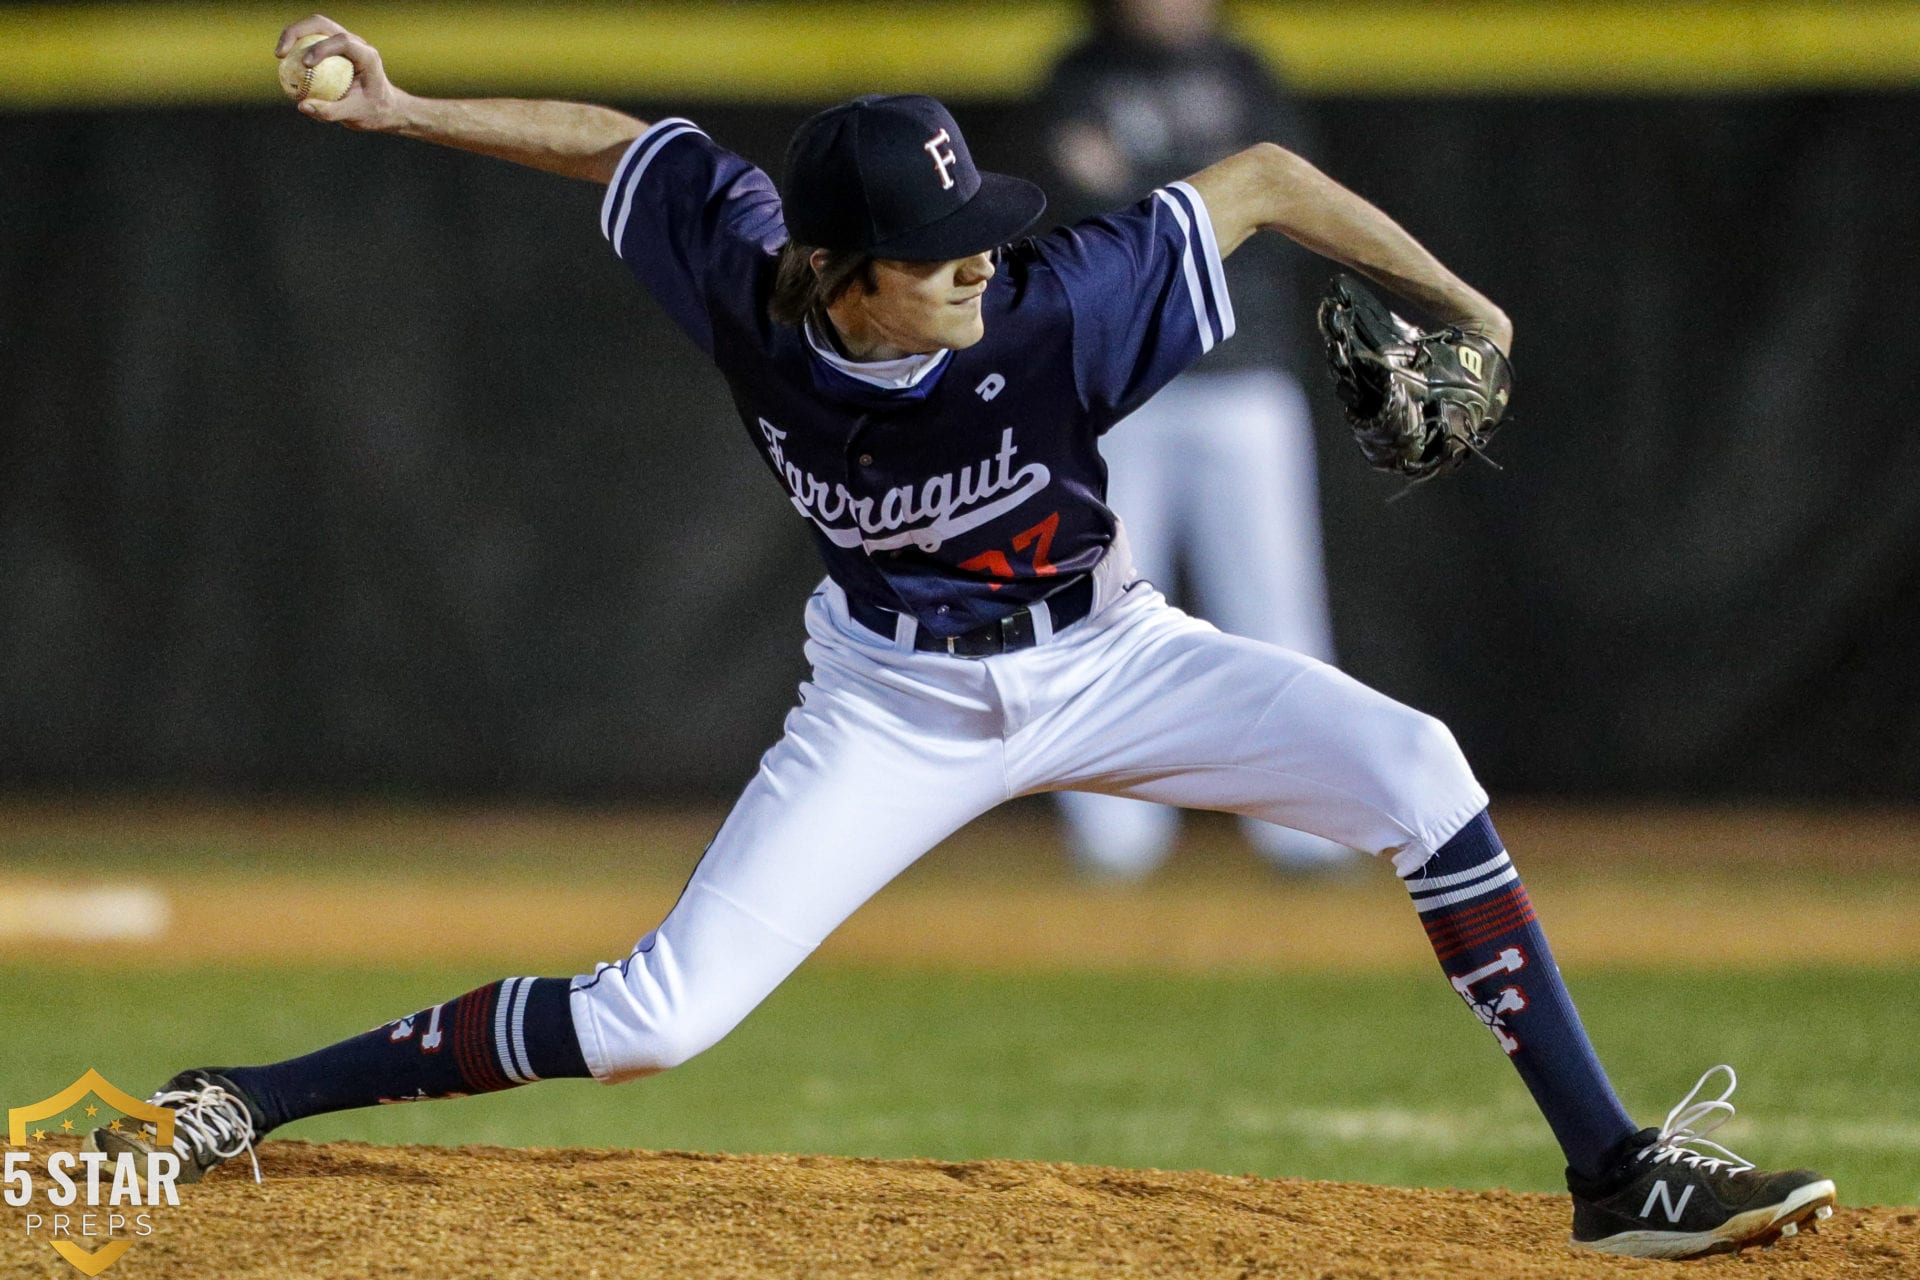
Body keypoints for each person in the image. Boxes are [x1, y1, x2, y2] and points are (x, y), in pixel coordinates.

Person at [93, 14, 1836, 1261]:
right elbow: (631, 148)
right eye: (938, 260)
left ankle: (1613, 1172)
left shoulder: (1057, 305)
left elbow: (1267, 176)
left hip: (1115, 654)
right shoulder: (745, 277)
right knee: (653, 1024)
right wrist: (405, 115)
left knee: (1418, 770)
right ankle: (250, 1090)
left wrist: (1469, 301)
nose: (981, 269)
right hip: (894, 702)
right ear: (839, 272)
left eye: (982, 240)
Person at [1038, 0, 1355, 879]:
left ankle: (1309, 830)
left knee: (1275, 608)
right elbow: (1083, 224)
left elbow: (1284, 213)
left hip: (1245, 377)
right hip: (1120, 388)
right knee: (1102, 609)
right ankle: (1112, 837)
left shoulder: (1247, 74)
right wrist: (1204, 191)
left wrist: (1140, 178)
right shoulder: (1077, 75)